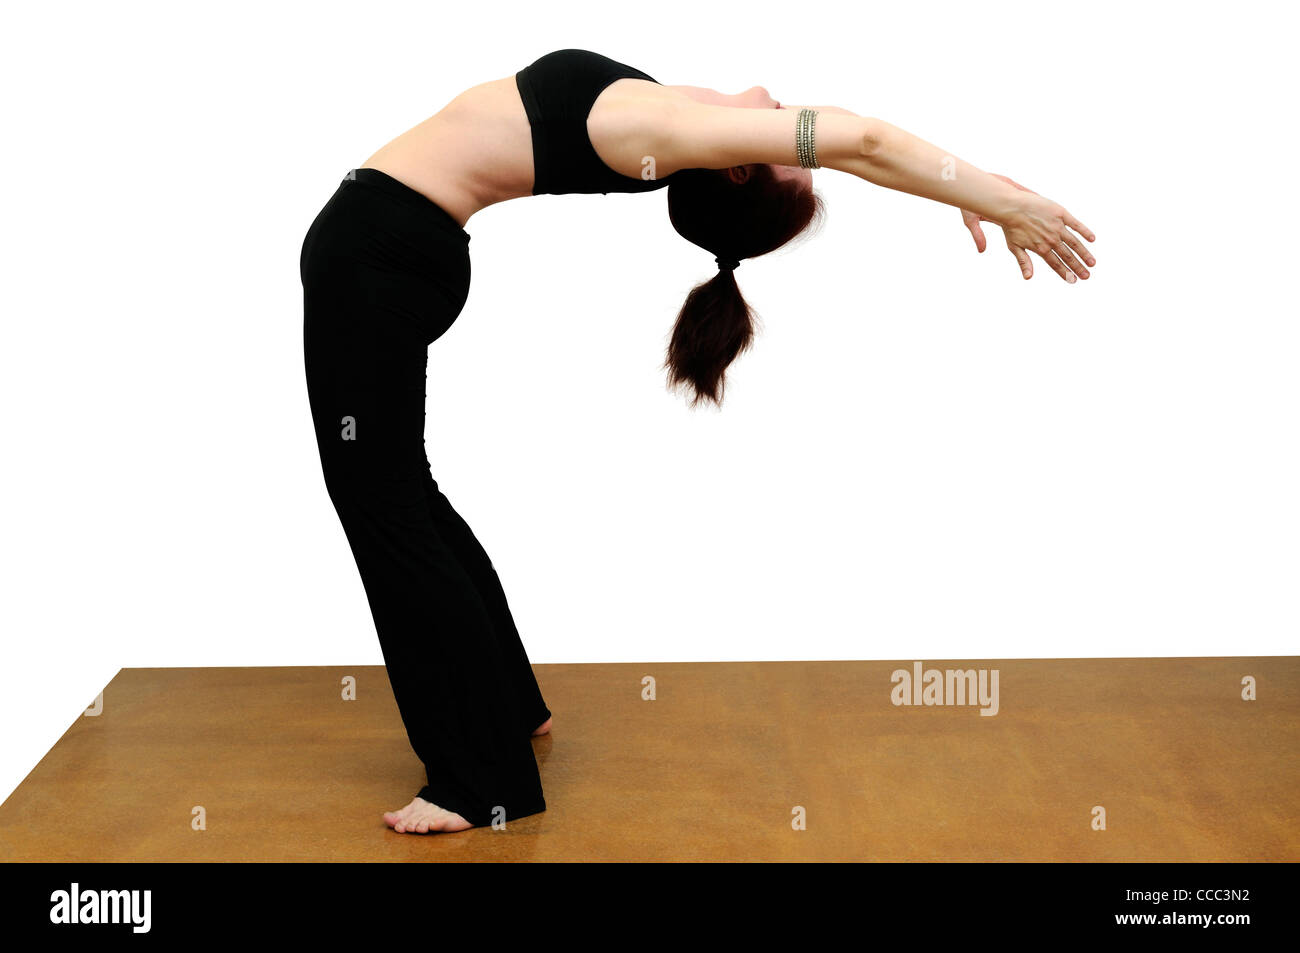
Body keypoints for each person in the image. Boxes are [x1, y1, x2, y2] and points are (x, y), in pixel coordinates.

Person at [298, 48, 1096, 835]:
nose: (788, 116)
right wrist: (977, 189)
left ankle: (479, 780)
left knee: (386, 505)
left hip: (375, 257)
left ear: (742, 164)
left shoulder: (663, 128)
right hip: (395, 251)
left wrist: (995, 196)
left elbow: (862, 143)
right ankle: (506, 711)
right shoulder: (672, 118)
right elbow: (862, 150)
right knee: (405, 495)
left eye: (785, 145)